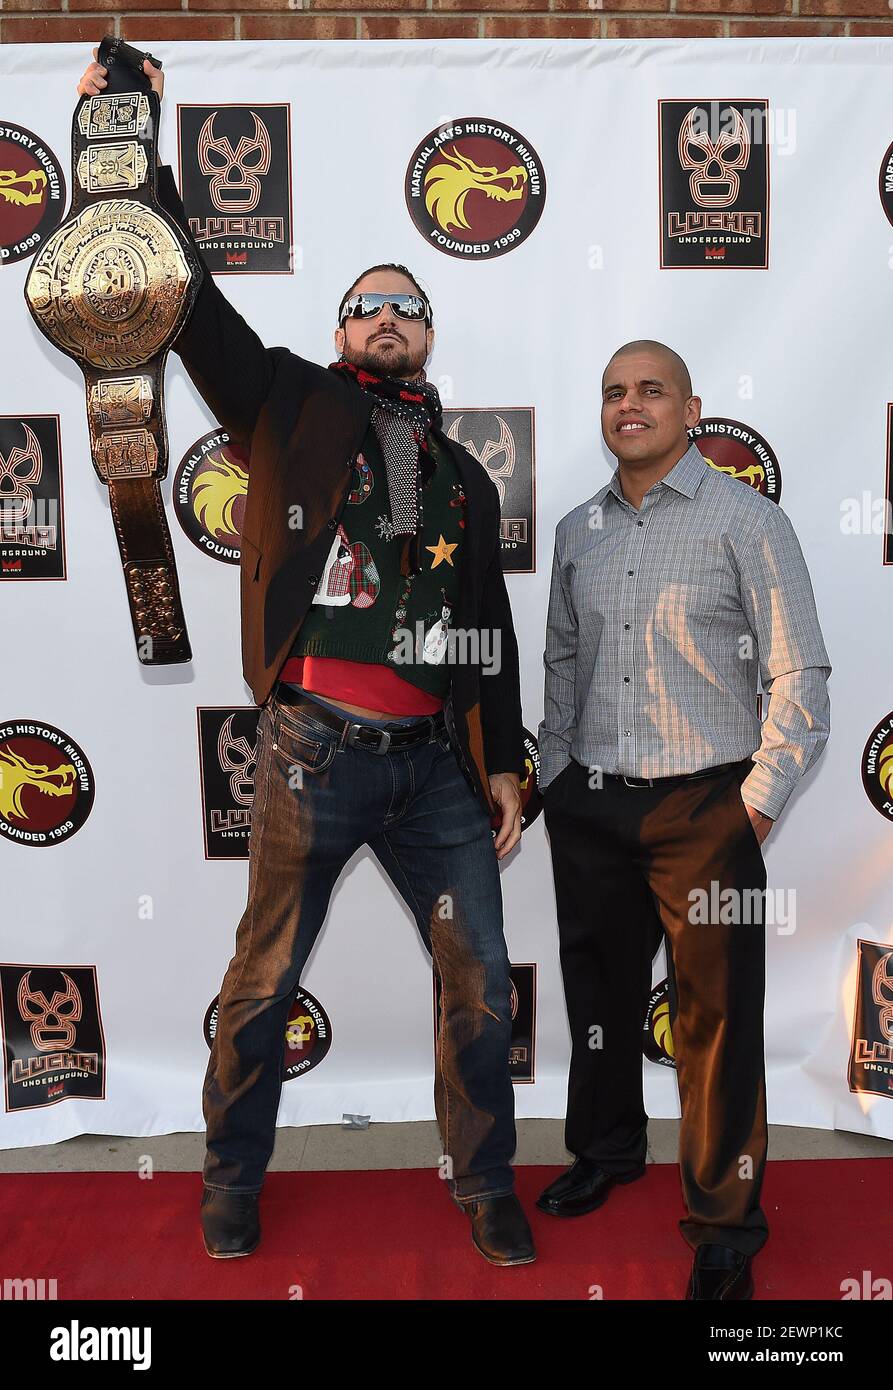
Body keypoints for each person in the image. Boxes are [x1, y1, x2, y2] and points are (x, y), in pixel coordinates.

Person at [75, 51, 533, 1267]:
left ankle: (482, 1180)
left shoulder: (465, 476)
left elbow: (486, 631)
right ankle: (232, 1178)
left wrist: (503, 765)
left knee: (481, 984)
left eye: (408, 305)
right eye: (367, 303)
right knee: (262, 984)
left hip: (436, 771)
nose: (387, 315)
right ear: (339, 330)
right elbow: (194, 303)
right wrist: (130, 137)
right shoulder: (281, 400)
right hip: (309, 756)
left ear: (430, 334)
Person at [536, 340, 830, 1300]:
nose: (630, 405)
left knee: (715, 1024)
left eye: (650, 390)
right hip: (591, 806)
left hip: (706, 809)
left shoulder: (746, 520)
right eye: (614, 391)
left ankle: (724, 1223)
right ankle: (608, 1150)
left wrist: (756, 803)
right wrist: (551, 776)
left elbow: (800, 672)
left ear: (690, 409)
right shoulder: (578, 529)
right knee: (598, 1004)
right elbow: (561, 664)